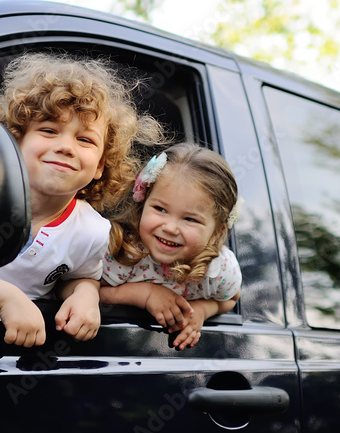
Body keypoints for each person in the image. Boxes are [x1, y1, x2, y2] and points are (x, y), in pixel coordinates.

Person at [0, 52, 162, 347]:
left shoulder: (91, 231)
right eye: (49, 130)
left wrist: (85, 294)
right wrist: (6, 297)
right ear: (14, 140)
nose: (65, 147)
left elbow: (79, 275)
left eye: (85, 139)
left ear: (101, 164)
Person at [100, 143, 242, 349]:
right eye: (160, 208)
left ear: (218, 231)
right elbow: (84, 290)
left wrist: (201, 310)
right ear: (143, 201)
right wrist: (145, 295)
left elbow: (232, 298)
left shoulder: (218, 269)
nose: (170, 227)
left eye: (190, 219)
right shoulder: (123, 251)